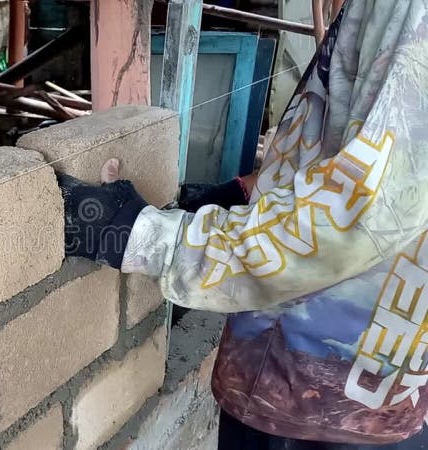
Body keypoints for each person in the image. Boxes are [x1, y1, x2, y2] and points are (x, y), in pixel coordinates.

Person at [59, 0, 428, 448]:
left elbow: (366, 212)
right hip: (360, 386)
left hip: (321, 400)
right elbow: (360, 162)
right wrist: (241, 194)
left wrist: (147, 237)